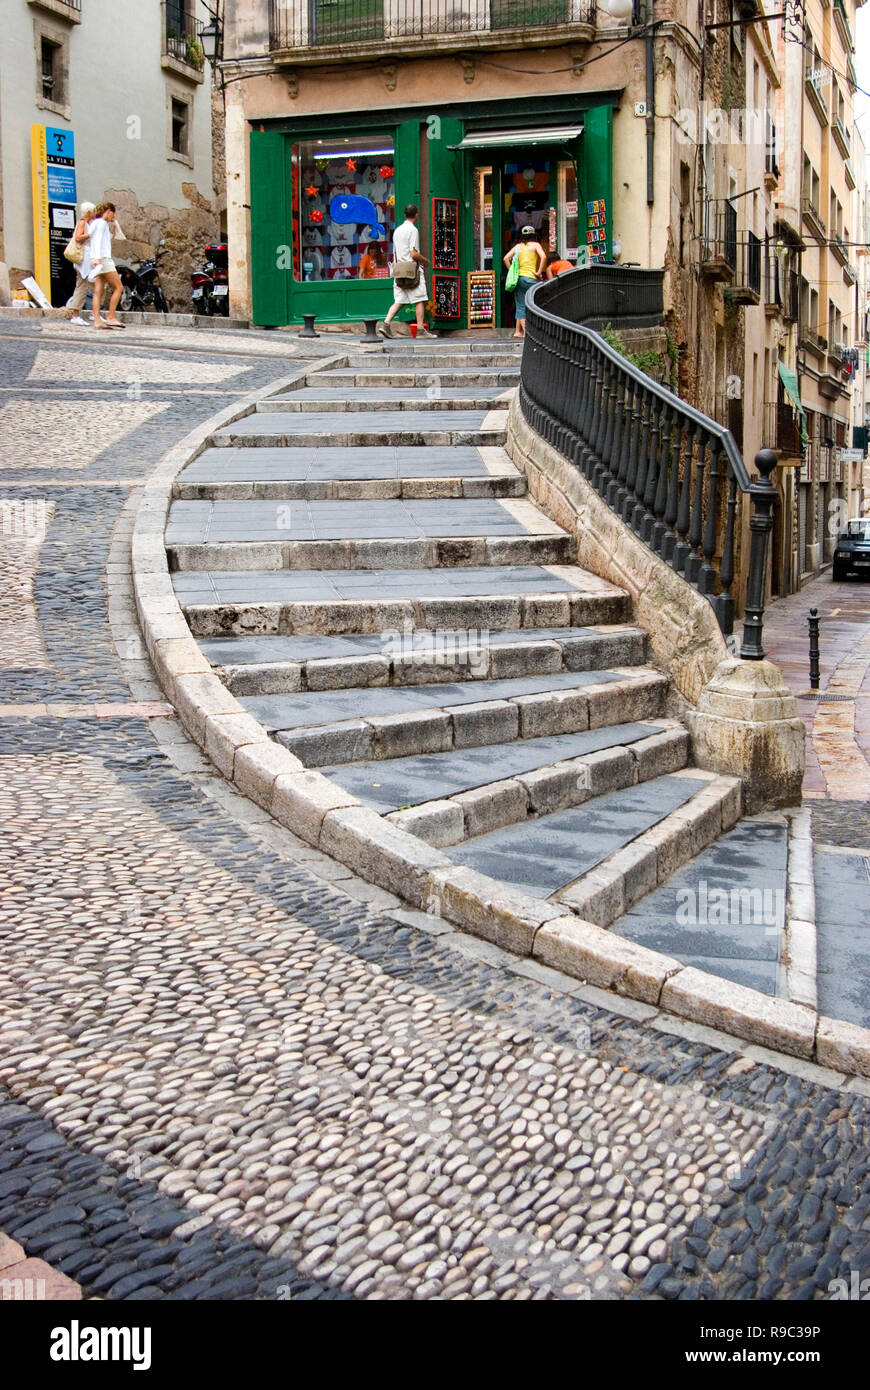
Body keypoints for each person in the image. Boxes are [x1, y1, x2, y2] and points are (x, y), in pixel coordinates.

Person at [378, 205, 434, 338]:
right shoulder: (413, 230)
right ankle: (420, 329)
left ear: (405, 214)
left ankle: (385, 324)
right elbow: (413, 254)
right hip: (412, 270)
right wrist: (425, 261)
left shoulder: (397, 230)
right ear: (416, 215)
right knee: (420, 298)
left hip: (399, 270)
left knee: (399, 300)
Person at [504, 225, 546, 338]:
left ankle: (520, 331)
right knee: (533, 304)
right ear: (533, 234)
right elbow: (544, 257)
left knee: (521, 305)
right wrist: (539, 272)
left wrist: (512, 272)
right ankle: (528, 333)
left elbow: (505, 258)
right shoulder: (536, 245)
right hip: (532, 279)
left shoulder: (518, 247)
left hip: (520, 279)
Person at [89, 203, 125, 329]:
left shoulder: (95, 223)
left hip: (97, 259)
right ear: (109, 211)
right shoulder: (101, 224)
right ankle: (111, 316)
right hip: (103, 259)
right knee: (119, 287)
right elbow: (99, 241)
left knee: (98, 291)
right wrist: (98, 259)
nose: (112, 217)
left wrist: (113, 227)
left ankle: (97, 320)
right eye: (112, 214)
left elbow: (103, 240)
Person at [66, 202, 96, 324]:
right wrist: (90, 234)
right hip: (83, 258)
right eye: (93, 211)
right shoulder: (83, 222)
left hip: (87, 258)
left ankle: (94, 312)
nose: (95, 213)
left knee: (90, 284)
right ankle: (75, 315)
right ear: (89, 212)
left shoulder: (89, 223)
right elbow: (78, 237)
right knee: (82, 285)